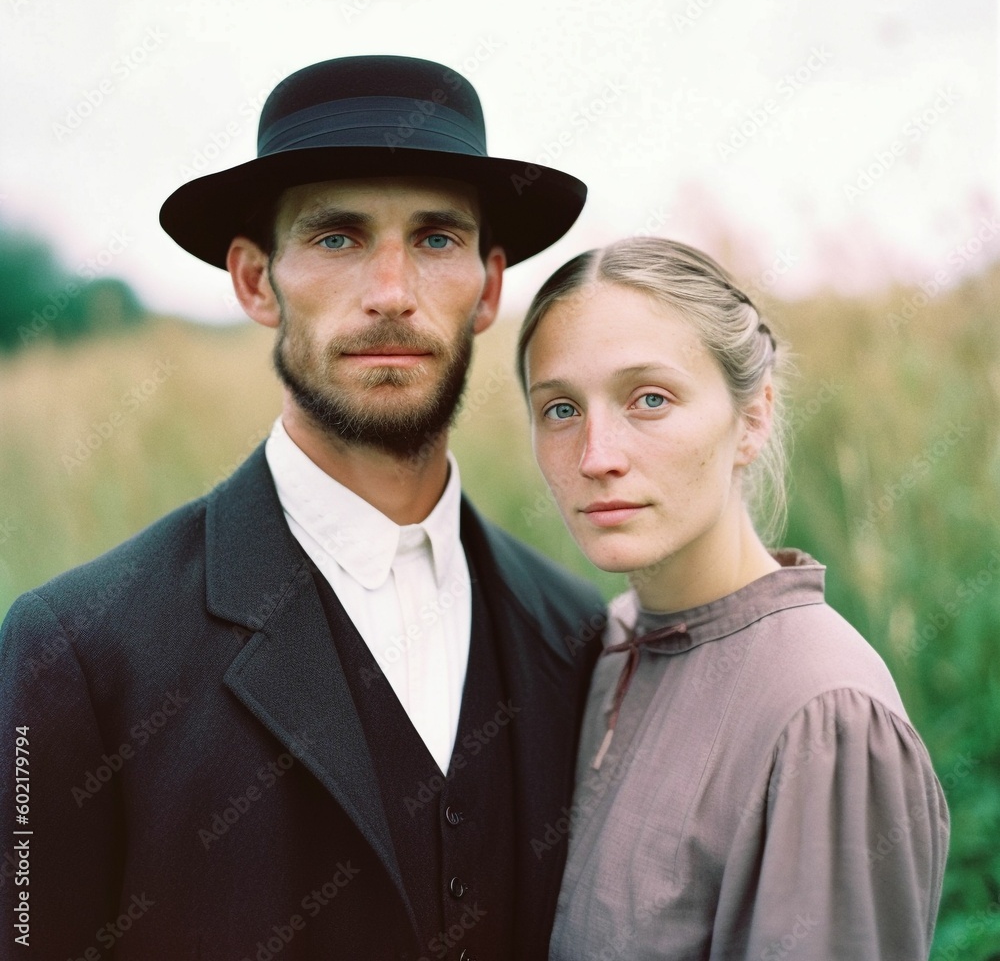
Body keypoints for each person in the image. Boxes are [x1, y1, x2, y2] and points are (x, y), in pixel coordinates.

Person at [0, 55, 606, 960]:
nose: (392, 291)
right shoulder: (79, 652)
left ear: (487, 289)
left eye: (437, 239)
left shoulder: (580, 637)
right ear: (255, 282)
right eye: (338, 237)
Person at [516, 236, 950, 960]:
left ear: (751, 420)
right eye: (560, 408)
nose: (596, 456)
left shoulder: (825, 717)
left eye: (649, 399)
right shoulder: (612, 641)